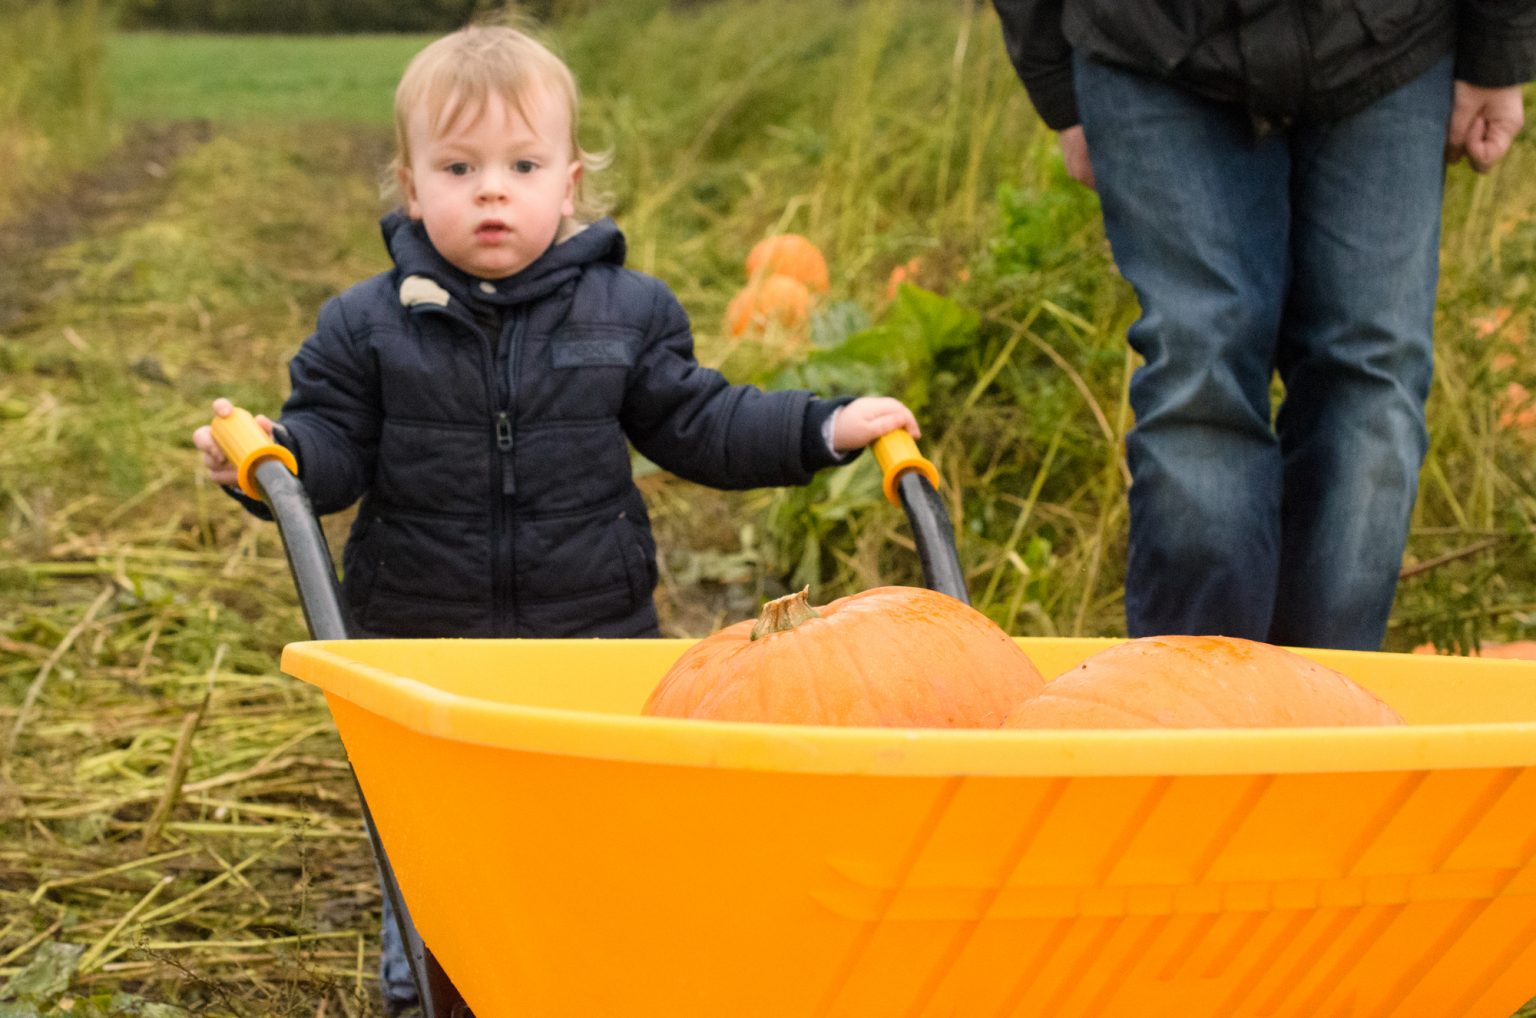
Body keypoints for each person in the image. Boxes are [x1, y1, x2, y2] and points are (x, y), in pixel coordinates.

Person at [191, 23, 918, 1013]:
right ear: (412, 187)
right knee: (435, 832)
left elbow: (701, 421)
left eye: (521, 164)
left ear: (568, 185)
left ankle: (582, 966)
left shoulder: (626, 314)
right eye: (460, 165)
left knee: (583, 830)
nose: (493, 189)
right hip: (421, 645)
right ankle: (431, 962)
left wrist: (821, 426)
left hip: (592, 634)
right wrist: (269, 459)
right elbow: (332, 449)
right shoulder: (363, 327)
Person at [991, 1, 1534, 650]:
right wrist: (1056, 80)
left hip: (1389, 37)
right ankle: (1192, 714)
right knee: (1201, 368)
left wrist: (1497, 45)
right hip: (1149, 40)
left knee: (1370, 381)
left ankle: (1331, 711)